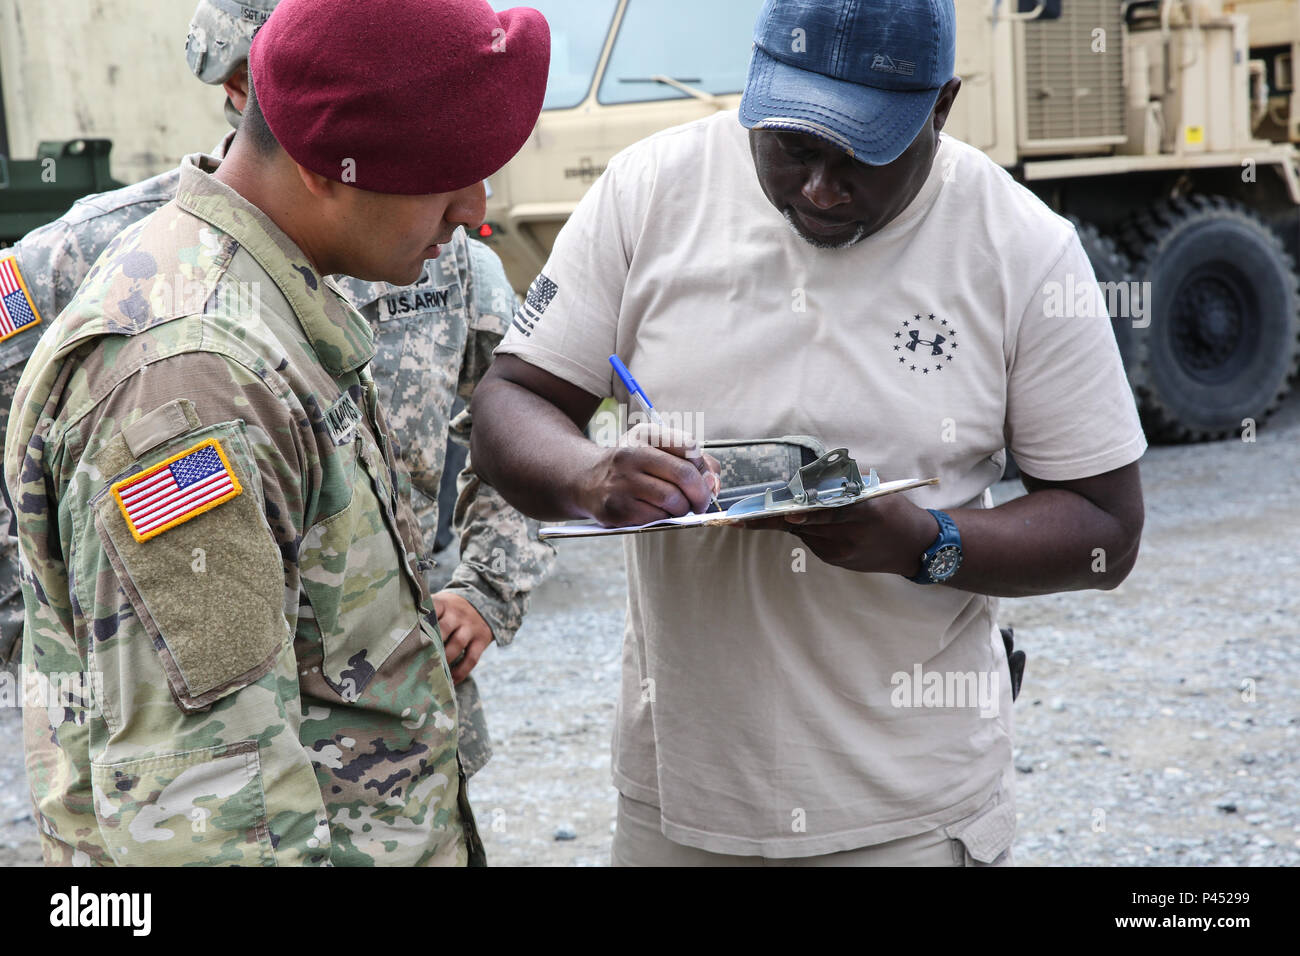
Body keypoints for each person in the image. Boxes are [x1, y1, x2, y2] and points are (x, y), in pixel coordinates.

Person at [470, 0, 1146, 866]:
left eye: (864, 153)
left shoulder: (1023, 248)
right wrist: (589, 473)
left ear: (941, 108)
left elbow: (1107, 529)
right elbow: (512, 400)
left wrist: (926, 542)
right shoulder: (649, 192)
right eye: (793, 147)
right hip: (679, 803)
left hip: (910, 817)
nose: (823, 189)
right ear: (754, 86)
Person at [4, 0, 549, 866]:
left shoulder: (269, 302)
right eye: (444, 175)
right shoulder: (191, 385)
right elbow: (209, 815)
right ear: (324, 168)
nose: (472, 212)